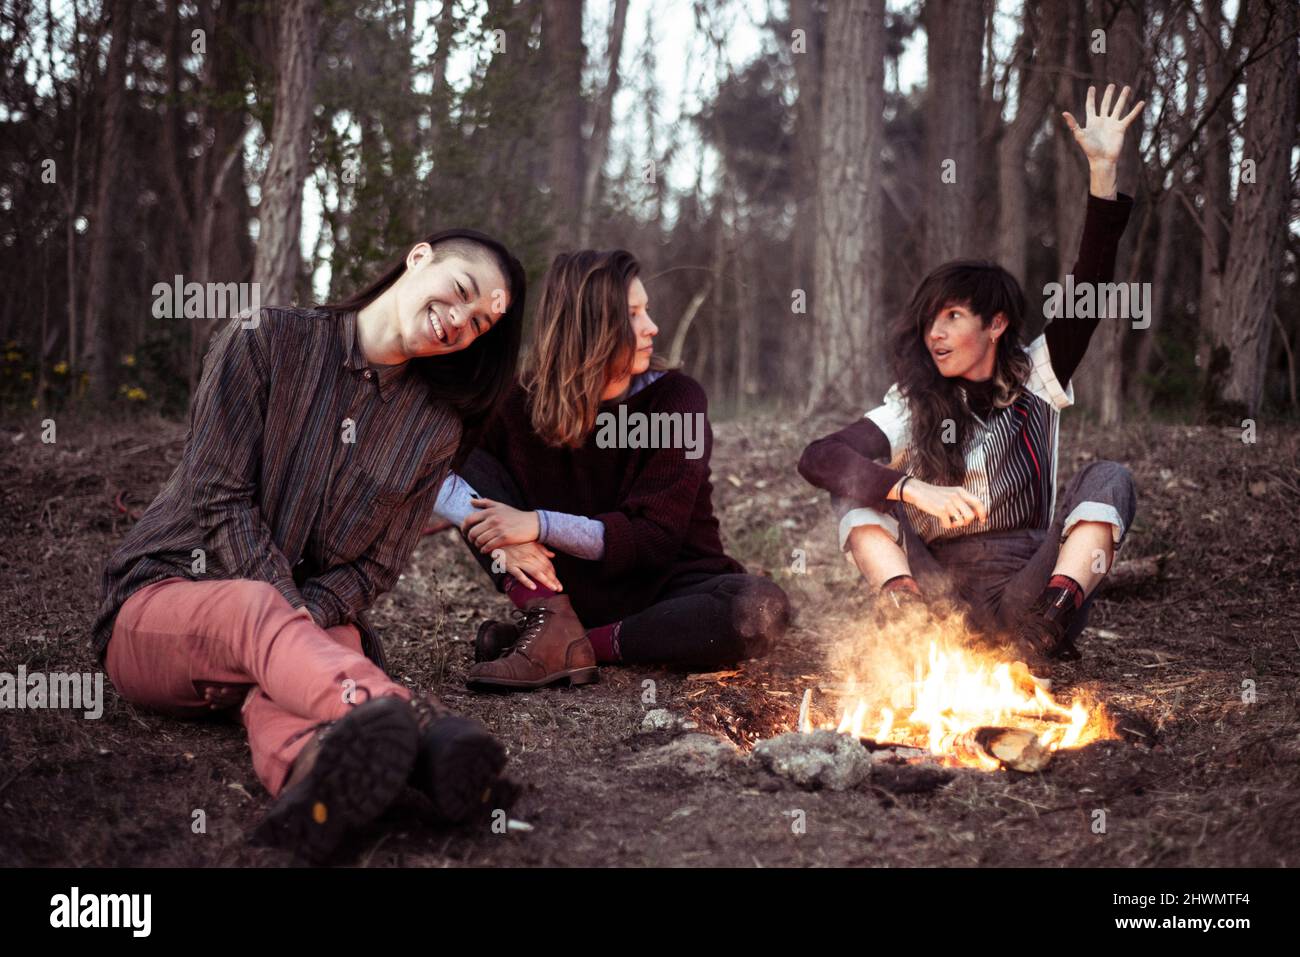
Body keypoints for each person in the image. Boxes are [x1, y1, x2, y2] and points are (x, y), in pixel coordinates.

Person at [90, 228, 527, 862]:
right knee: (257, 612)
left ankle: (314, 789)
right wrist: (295, 620)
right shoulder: (264, 340)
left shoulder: (431, 426)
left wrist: (301, 626)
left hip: (299, 647)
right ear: (419, 257)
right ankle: (422, 732)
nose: (460, 322)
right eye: (460, 292)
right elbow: (219, 497)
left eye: (481, 324)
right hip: (164, 607)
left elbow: (376, 566)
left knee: (319, 647)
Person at [799, 85, 1145, 667]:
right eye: (931, 320)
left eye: (954, 317)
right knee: (857, 491)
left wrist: (1103, 175)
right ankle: (907, 623)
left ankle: (1050, 626)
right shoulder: (911, 406)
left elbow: (1089, 290)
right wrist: (910, 488)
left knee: (1110, 477)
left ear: (995, 323)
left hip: (1028, 593)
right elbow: (818, 457)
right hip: (941, 602)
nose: (935, 333)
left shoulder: (1038, 373)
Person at [431, 248, 791, 691]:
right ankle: (551, 621)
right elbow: (428, 466)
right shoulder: (515, 404)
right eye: (634, 314)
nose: (651, 327)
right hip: (564, 588)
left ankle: (572, 644)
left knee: (759, 608)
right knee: (466, 466)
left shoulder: (675, 401)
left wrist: (535, 525)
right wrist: (481, 520)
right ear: (591, 327)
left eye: (647, 311)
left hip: (669, 590)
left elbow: (653, 538)